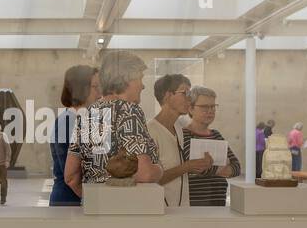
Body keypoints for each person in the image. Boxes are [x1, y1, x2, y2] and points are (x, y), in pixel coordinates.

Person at [65, 51, 161, 195]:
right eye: (140, 79)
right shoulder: (129, 111)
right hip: (128, 209)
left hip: (95, 209)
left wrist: (93, 200)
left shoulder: (87, 113)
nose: (143, 86)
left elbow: (71, 177)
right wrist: (159, 169)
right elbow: (144, 174)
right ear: (126, 78)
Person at [149, 74, 211, 208]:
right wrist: (187, 167)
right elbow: (151, 180)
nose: (189, 99)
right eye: (185, 93)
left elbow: (178, 169)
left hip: (182, 209)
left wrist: (197, 165)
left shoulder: (178, 128)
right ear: (167, 96)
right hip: (160, 211)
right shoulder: (150, 131)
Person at [49, 65, 99, 206]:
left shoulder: (79, 119)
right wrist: (93, 201)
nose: (100, 93)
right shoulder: (69, 121)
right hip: (69, 202)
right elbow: (71, 177)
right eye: (95, 87)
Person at [182, 86, 240, 206]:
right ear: (191, 109)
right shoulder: (184, 135)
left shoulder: (216, 135)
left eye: (213, 106)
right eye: (204, 107)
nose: (210, 111)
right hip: (194, 203)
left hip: (218, 202)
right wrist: (222, 166)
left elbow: (237, 167)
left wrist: (211, 167)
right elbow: (198, 167)